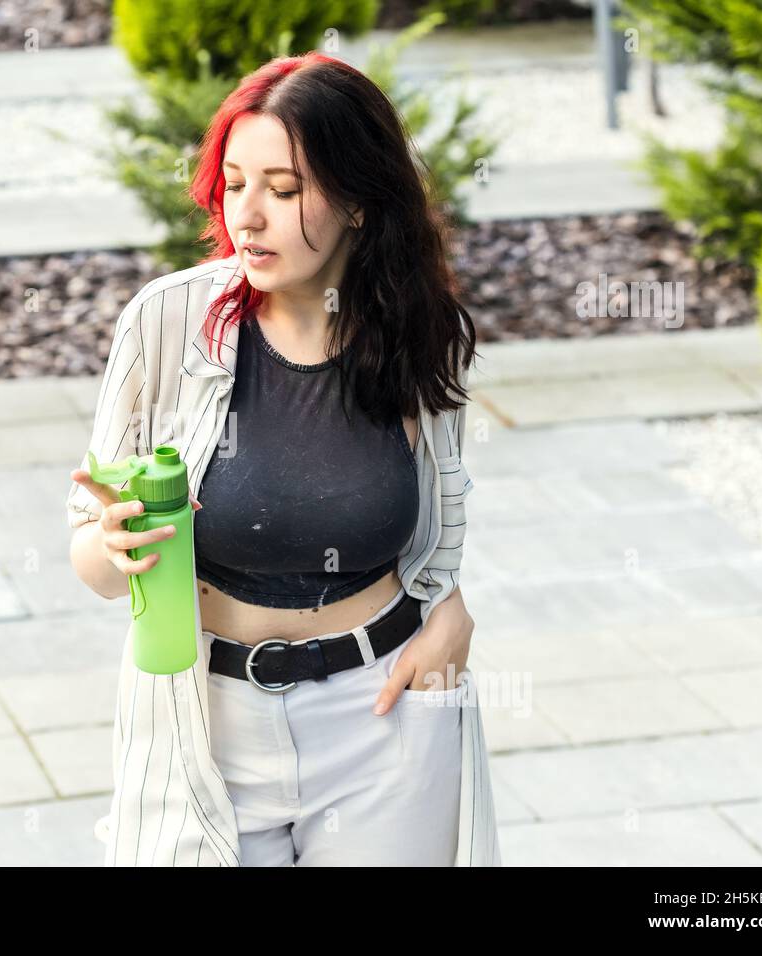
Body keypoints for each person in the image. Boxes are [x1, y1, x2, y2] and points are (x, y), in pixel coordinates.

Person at [67, 51, 500, 866]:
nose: (249, 216)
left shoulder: (419, 330)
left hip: (383, 720)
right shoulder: (167, 323)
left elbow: (437, 508)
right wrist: (113, 544)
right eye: (234, 184)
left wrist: (448, 607)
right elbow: (91, 553)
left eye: (286, 188)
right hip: (206, 722)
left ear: (360, 203)